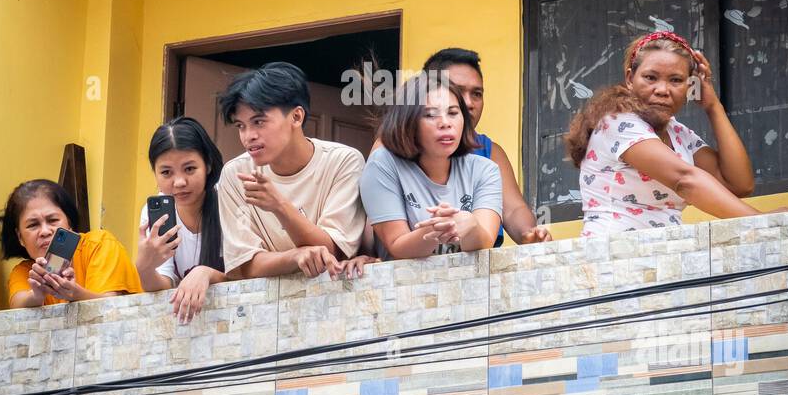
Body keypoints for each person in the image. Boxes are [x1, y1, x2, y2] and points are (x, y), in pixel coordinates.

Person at [564, 30, 757, 236]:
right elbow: (685, 181)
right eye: (650, 77)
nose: (663, 89)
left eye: (676, 80)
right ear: (630, 78)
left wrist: (712, 106)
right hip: (613, 254)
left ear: (690, 86)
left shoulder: (679, 134)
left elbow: (738, 185)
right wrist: (764, 222)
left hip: (661, 253)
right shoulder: (617, 123)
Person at [216, 61, 369, 279]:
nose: (248, 136)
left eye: (259, 122)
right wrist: (294, 257)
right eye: (240, 125)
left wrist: (279, 206)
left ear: (296, 117)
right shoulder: (235, 175)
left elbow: (333, 250)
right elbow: (244, 267)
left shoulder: (343, 161)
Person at [360, 73, 502, 259]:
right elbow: (397, 246)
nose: (445, 123)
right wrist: (437, 230)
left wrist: (469, 225)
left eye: (453, 113)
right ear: (408, 122)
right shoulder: (383, 164)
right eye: (430, 114)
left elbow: (485, 243)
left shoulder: (485, 170)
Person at [421, 48, 552, 246]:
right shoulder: (394, 146)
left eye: (477, 94)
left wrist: (531, 234)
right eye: (456, 91)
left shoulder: (491, 152)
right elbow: (376, 214)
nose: (469, 102)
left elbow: (513, 209)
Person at [0, 179, 141, 307]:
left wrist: (75, 294)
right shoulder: (25, 271)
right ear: (20, 237)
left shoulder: (98, 244)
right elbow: (17, 304)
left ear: (69, 223)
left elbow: (111, 307)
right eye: (33, 225)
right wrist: (37, 294)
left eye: (52, 220)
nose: (45, 231)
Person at [137, 117, 226, 323]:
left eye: (189, 169)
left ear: (208, 165)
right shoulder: (156, 214)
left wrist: (205, 274)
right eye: (166, 172)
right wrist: (143, 268)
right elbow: (164, 285)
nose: (179, 182)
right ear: (155, 175)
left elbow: (246, 273)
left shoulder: (228, 199)